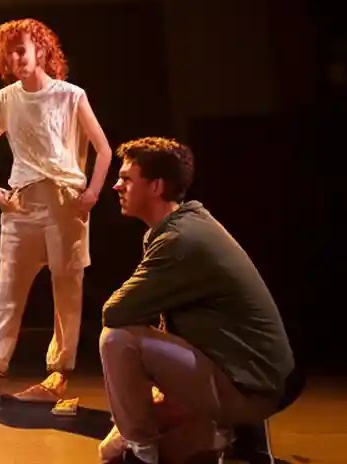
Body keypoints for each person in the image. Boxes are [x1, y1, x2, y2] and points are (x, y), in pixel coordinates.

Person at [98, 137, 298, 464]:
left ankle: (143, 454)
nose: (116, 186)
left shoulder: (180, 240)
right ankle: (226, 439)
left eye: (127, 179)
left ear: (156, 186)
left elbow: (115, 312)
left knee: (117, 339)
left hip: (248, 391)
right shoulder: (181, 226)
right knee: (111, 449)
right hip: (243, 382)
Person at [0, 18, 112, 405]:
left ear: (42, 50)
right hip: (22, 202)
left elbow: (104, 148)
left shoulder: (70, 95)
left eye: (22, 48)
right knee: (8, 287)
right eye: (9, 52)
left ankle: (58, 376)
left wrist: (93, 192)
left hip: (65, 201)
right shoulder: (4, 100)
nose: (16, 57)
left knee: (66, 289)